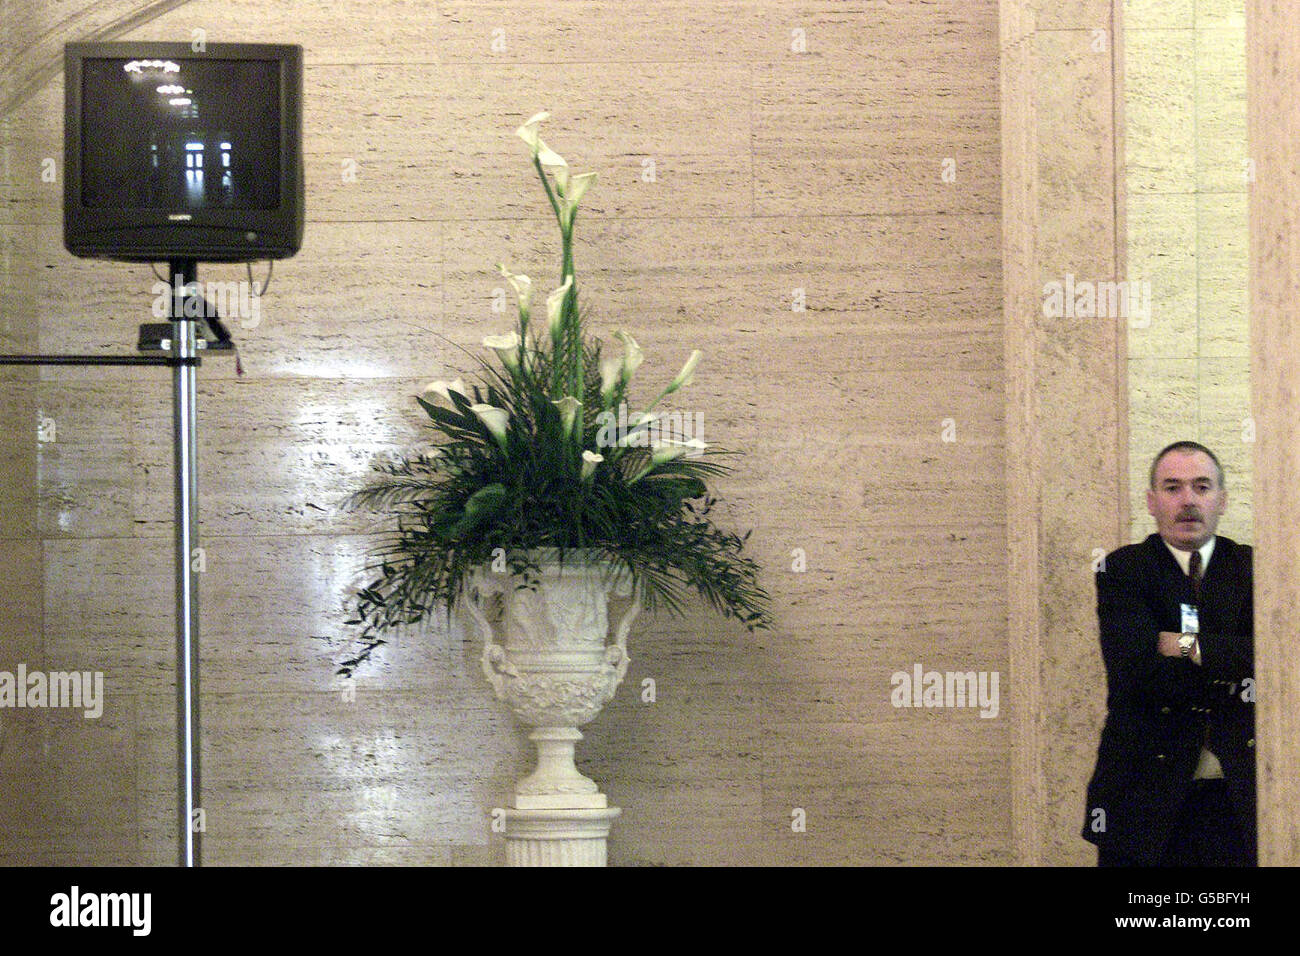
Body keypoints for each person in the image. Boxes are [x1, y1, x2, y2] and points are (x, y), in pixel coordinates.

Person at [1081, 441, 1255, 866]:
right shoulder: (1123, 569)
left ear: (1223, 500)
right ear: (1151, 501)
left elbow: (1274, 661)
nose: (1188, 501)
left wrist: (1184, 644)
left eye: (1202, 487)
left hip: (1238, 791)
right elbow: (1136, 670)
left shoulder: (1254, 567)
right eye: (1173, 487)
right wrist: (1227, 663)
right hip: (1144, 787)